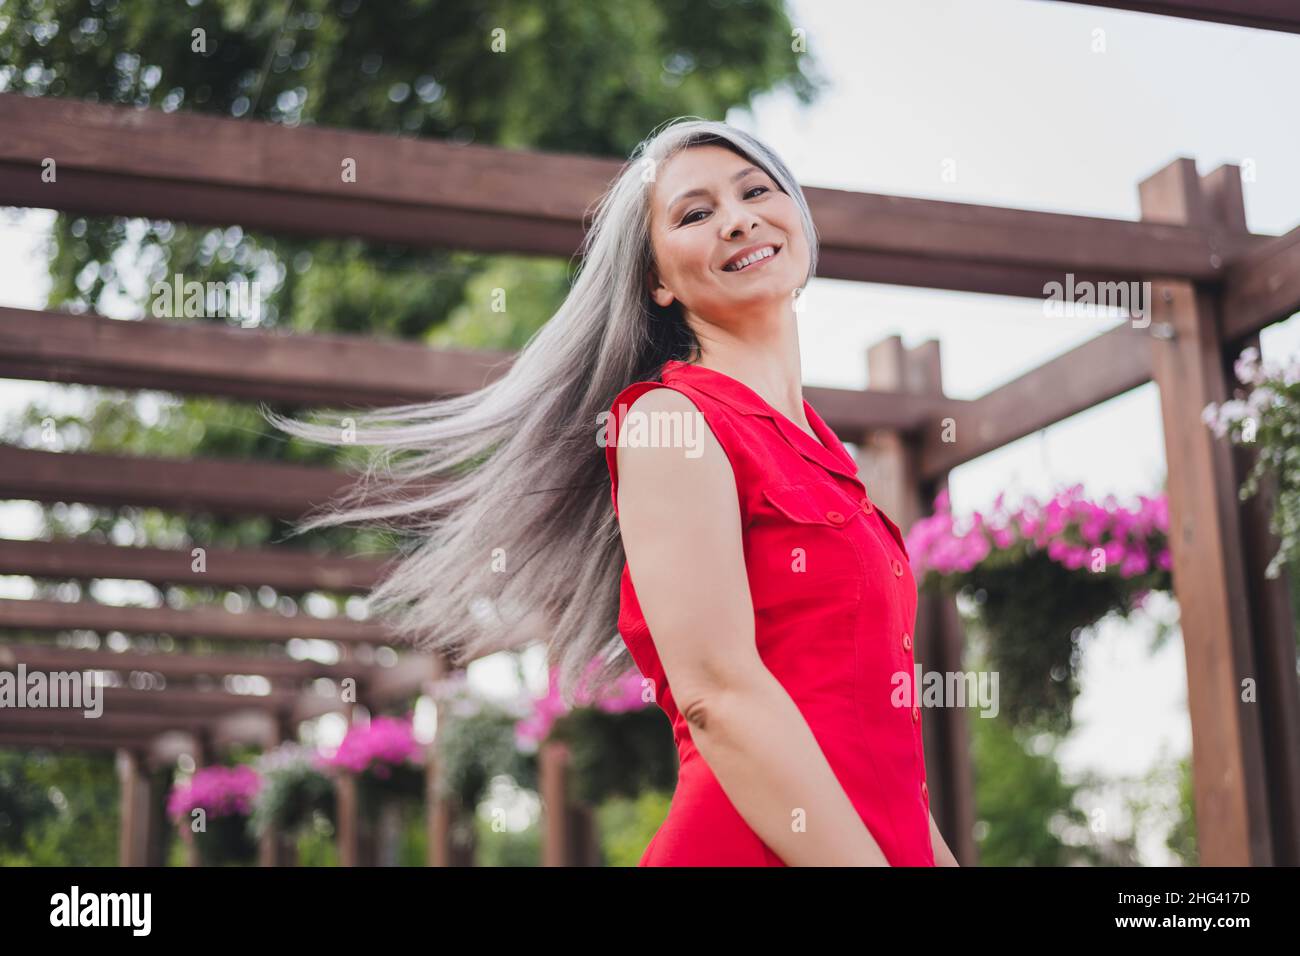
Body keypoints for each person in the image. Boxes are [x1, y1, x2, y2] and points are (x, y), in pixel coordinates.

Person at [266, 116, 959, 867]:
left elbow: (886, 757)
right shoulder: (672, 422)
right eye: (696, 214)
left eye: (757, 191)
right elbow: (718, 696)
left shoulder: (830, 459)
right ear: (657, 279)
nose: (737, 219)